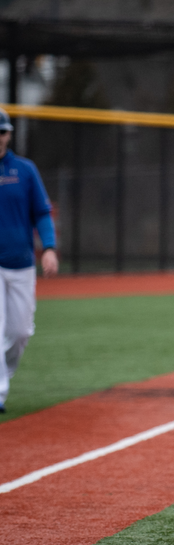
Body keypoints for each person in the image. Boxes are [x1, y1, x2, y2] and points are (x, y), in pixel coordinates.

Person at [0, 107, 58, 414]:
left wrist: (48, 247)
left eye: (2, 131)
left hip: (21, 262)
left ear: (8, 135)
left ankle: (3, 377)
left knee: (21, 332)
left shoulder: (24, 170)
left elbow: (41, 212)